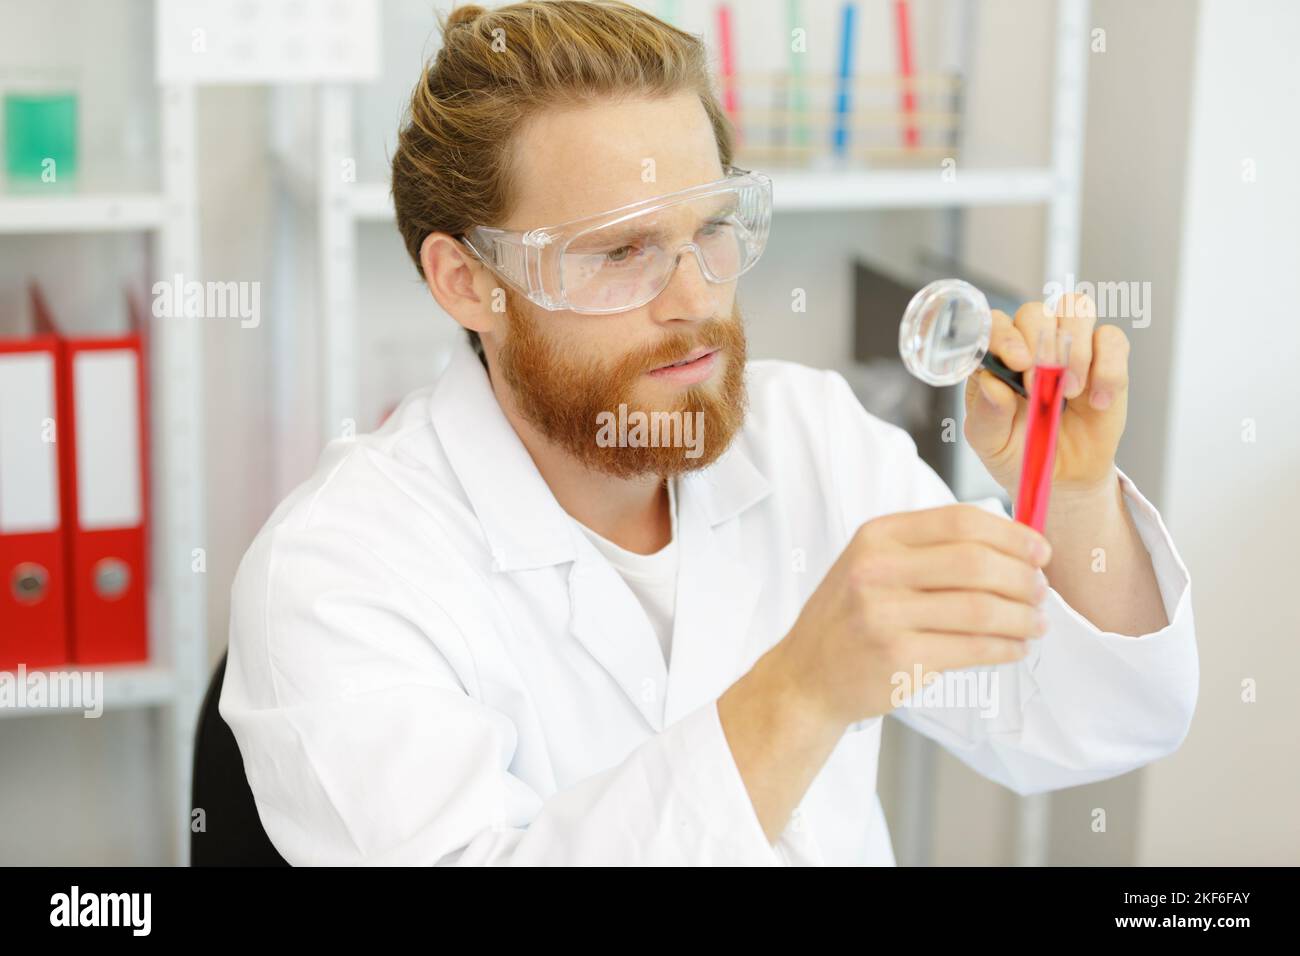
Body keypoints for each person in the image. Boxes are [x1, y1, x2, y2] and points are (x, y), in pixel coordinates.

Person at [220, 0, 1197, 865]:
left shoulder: (811, 438)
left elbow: (1080, 719)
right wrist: (801, 691)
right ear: (468, 281)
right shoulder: (337, 574)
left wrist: (1072, 501)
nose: (693, 298)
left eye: (712, 230)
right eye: (619, 251)